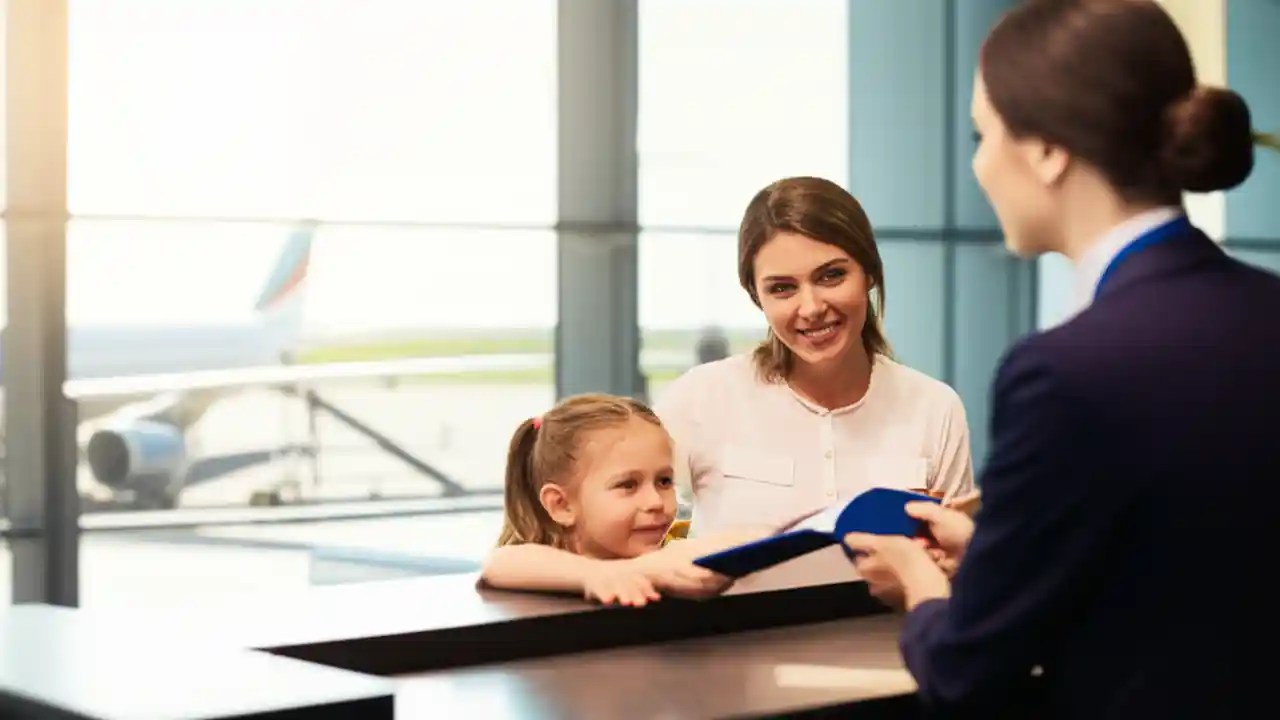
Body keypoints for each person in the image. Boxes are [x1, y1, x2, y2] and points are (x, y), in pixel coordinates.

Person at [843, 1, 1279, 716]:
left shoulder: (1064, 372)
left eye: (985, 134)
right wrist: (995, 547)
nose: (980, 165)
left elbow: (964, 673)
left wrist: (919, 583)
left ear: (1046, 150)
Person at [654, 176, 975, 590]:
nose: (811, 308)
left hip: (886, 646)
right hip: (738, 648)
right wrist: (675, 556)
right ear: (757, 296)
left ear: (870, 273)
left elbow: (957, 574)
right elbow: (636, 538)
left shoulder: (935, 407)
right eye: (782, 288)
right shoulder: (701, 397)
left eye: (831, 276)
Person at [480, 393, 768, 607]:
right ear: (561, 505)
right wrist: (615, 574)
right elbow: (501, 563)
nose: (656, 502)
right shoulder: (537, 563)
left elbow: (749, 539)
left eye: (664, 481)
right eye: (627, 485)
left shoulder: (665, 547)